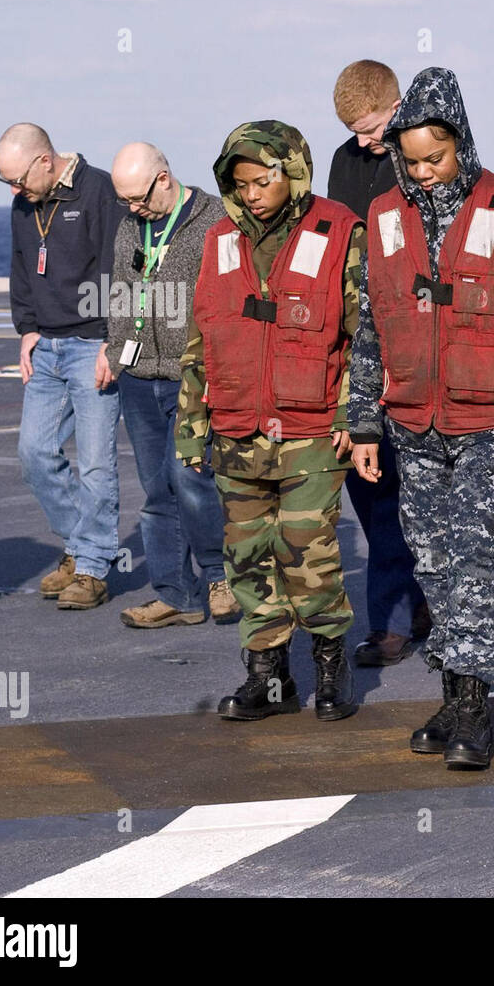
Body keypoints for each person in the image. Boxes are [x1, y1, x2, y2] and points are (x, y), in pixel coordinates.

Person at [349, 66, 494, 770]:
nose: (424, 173)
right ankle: (452, 690)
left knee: (478, 559)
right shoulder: (384, 217)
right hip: (412, 421)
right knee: (435, 561)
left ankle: (475, 709)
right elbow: (368, 327)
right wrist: (361, 422)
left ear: (462, 145)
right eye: (410, 161)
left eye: (435, 159)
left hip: (491, 419)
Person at [175, 121, 360, 723]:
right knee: (249, 555)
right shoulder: (220, 240)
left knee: (307, 549)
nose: (251, 193)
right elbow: (203, 333)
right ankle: (268, 676)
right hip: (233, 422)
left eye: (263, 180)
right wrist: (191, 421)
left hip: (310, 426)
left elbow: (366, 335)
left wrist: (351, 415)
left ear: (293, 173)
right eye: (241, 183)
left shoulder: (339, 231)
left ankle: (331, 665)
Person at [105, 142, 239, 629]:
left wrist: (216, 368)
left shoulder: (215, 219)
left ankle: (219, 578)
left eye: (138, 199)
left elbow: (231, 295)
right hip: (139, 378)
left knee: (192, 479)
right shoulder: (128, 225)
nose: (133, 209)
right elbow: (120, 291)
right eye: (124, 201)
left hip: (193, 375)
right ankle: (175, 596)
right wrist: (117, 355)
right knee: (156, 490)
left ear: (164, 178)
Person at [328, 59, 431, 666]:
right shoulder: (348, 160)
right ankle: (406, 602)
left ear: (396, 104)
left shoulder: (422, 155)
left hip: (413, 342)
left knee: (408, 493)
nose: (363, 141)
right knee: (370, 491)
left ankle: (395, 618)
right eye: (354, 130)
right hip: (358, 341)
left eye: (370, 127)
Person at [0, 123, 125, 610]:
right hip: (45, 347)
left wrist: (113, 341)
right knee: (34, 455)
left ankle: (91, 568)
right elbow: (21, 265)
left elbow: (118, 266)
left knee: (95, 463)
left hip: (91, 343)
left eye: (18, 178)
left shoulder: (99, 191)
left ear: (45, 161)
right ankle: (80, 544)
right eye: (4, 180)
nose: (14, 189)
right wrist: (26, 327)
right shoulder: (23, 202)